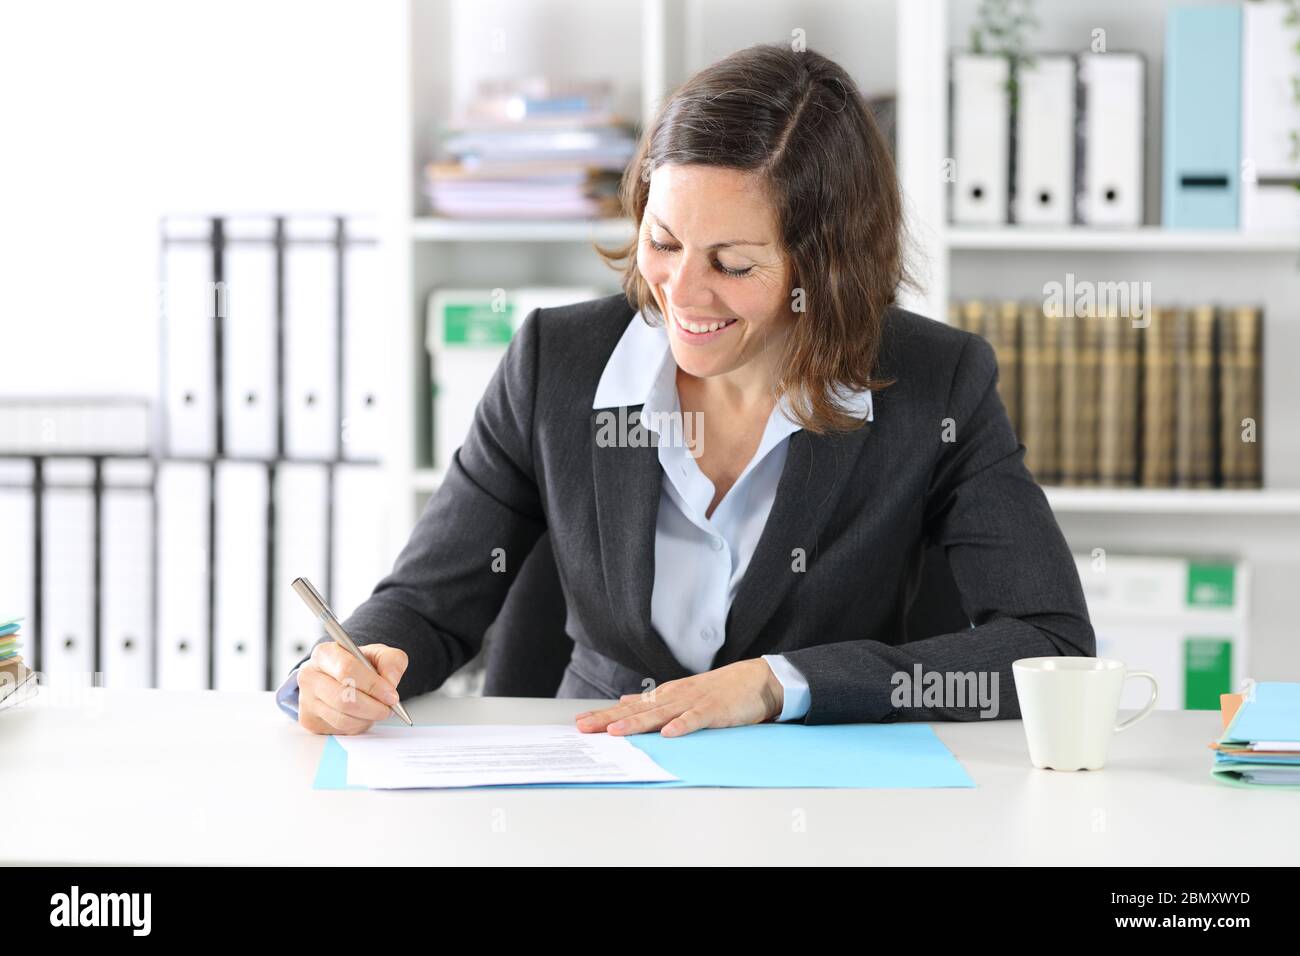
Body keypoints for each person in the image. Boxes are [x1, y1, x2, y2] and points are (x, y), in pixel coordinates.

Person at [276, 43, 1094, 737]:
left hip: (827, 800)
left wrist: (780, 683)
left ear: (827, 265)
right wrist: (347, 661)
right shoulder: (555, 363)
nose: (683, 295)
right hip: (593, 785)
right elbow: (425, 601)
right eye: (663, 242)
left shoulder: (934, 386)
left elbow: (1049, 649)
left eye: (733, 265)